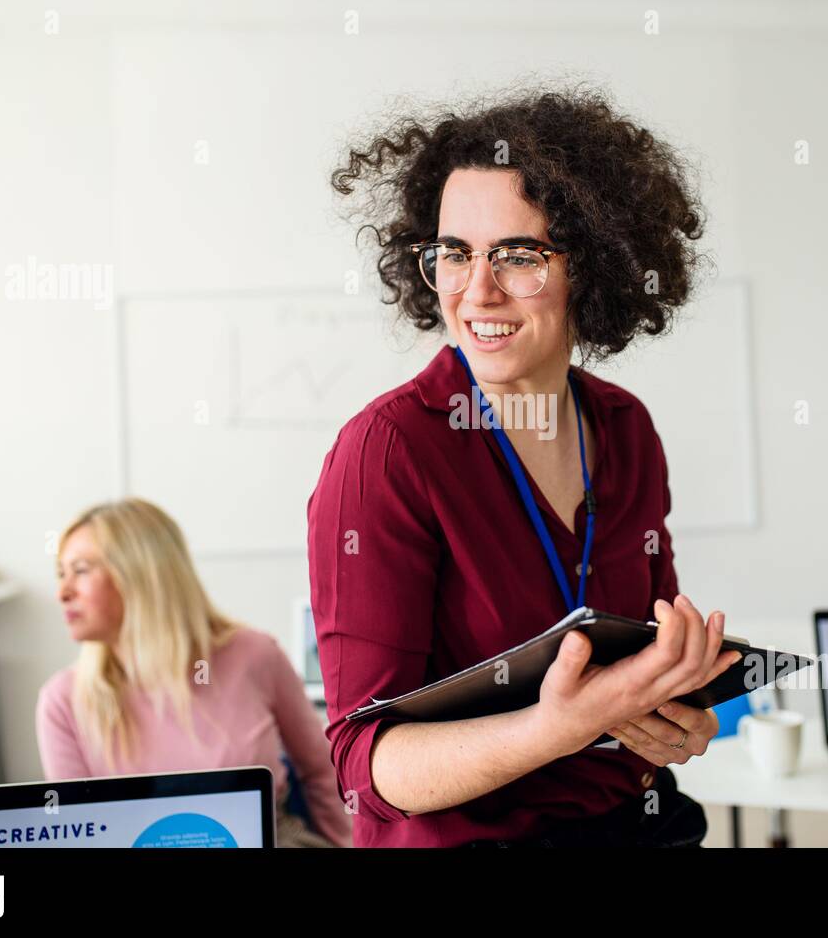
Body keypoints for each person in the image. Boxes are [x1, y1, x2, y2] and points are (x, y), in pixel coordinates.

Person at [309, 86, 741, 848]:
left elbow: (633, 663)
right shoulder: (389, 450)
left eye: (517, 255)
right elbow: (363, 765)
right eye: (455, 253)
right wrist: (555, 728)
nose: (477, 290)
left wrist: (674, 708)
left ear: (596, 264)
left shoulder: (625, 428)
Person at [36, 498, 352, 848]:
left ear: (142, 572)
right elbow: (78, 835)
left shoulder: (255, 655)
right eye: (60, 574)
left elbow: (324, 771)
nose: (62, 593)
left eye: (80, 571)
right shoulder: (62, 700)